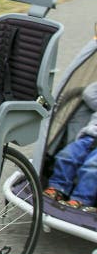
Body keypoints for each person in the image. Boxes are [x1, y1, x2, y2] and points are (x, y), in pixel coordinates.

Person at [43, 81, 97, 213]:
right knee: (66, 155)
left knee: (92, 167)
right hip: (89, 137)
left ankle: (81, 199)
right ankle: (57, 188)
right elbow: (88, 93)